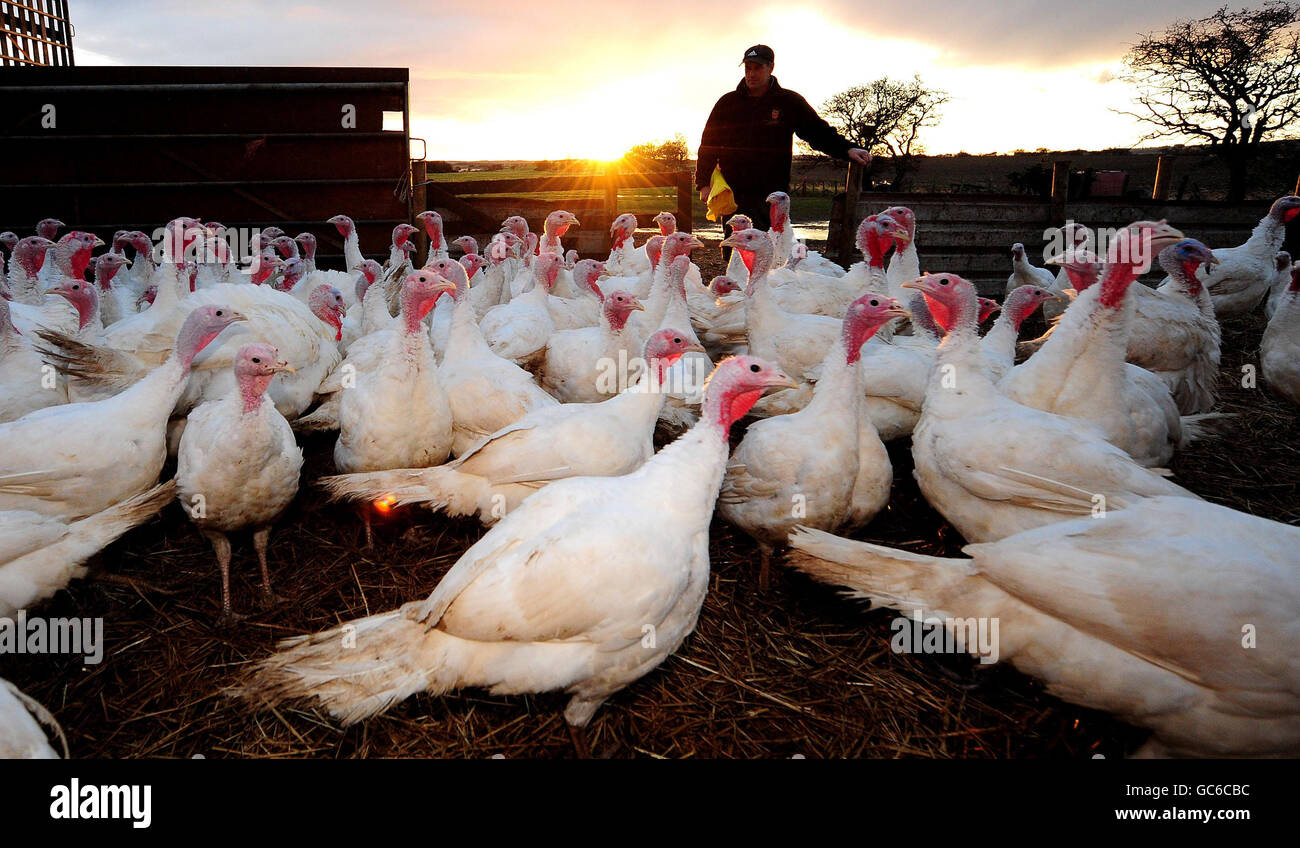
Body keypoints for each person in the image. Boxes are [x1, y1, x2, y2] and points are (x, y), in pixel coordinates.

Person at [695, 45, 872, 259]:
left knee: (772, 252)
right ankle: (737, 291)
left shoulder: (788, 102)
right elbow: (708, 144)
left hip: (772, 194)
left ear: (771, 67)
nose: (751, 74)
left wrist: (847, 149)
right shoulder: (727, 103)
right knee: (735, 253)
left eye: (757, 68)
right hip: (734, 193)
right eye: (748, 68)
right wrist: (704, 183)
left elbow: (817, 132)